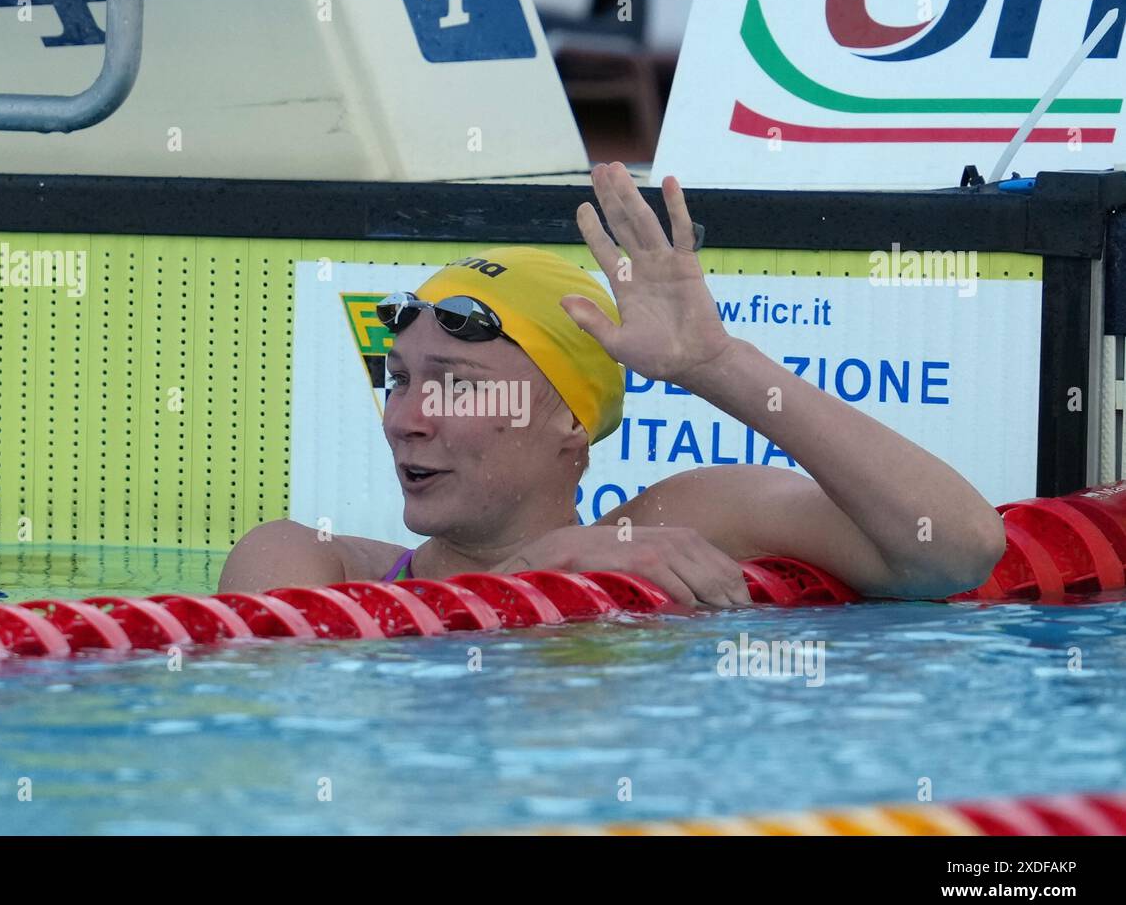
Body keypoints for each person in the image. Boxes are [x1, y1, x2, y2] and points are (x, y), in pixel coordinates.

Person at [218, 163, 1006, 606]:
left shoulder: (684, 521)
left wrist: (716, 364)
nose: (405, 420)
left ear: (570, 418)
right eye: (397, 381)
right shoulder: (305, 562)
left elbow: (954, 549)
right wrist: (532, 575)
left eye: (456, 386)